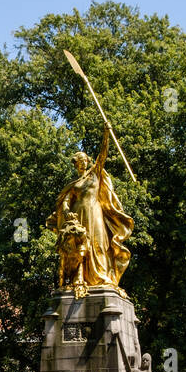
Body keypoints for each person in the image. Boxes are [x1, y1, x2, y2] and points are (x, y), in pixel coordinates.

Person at [45, 125, 134, 296]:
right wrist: (66, 212)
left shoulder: (95, 173)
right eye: (79, 162)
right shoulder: (73, 184)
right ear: (75, 164)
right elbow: (64, 202)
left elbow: (103, 155)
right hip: (78, 216)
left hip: (95, 213)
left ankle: (101, 277)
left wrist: (106, 135)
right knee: (79, 247)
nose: (83, 163)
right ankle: (79, 280)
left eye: (85, 160)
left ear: (88, 162)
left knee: (99, 244)